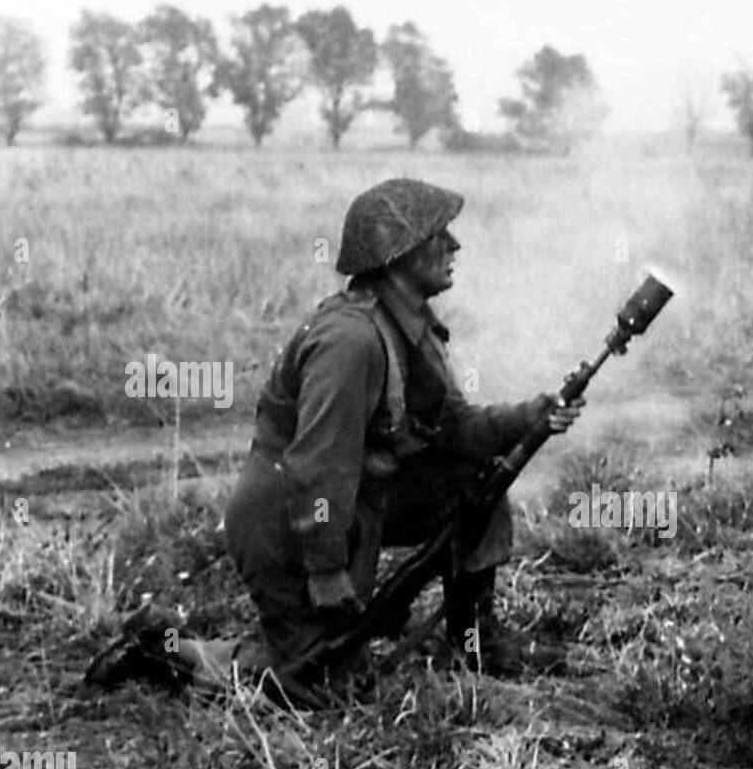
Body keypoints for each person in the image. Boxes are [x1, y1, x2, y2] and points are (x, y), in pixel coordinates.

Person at [87, 177, 583, 702]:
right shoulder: (350, 341)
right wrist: (325, 571)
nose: (454, 246)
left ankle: (473, 639)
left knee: (478, 473)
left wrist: (531, 416)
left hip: (350, 505)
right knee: (316, 686)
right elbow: (321, 463)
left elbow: (457, 429)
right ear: (399, 253)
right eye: (439, 235)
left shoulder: (410, 324)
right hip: (287, 520)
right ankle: (162, 645)